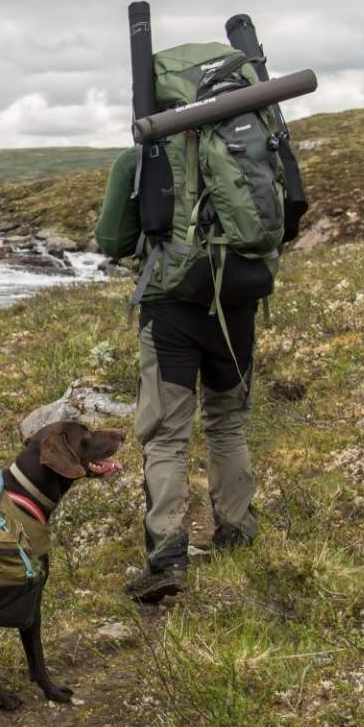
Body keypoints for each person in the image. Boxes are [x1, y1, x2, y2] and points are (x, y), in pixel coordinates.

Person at [93, 148, 259, 604]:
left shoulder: (141, 158)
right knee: (228, 422)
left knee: (166, 436)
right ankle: (237, 533)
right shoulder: (247, 144)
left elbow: (112, 240)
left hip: (169, 310)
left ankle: (166, 559)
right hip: (237, 303)